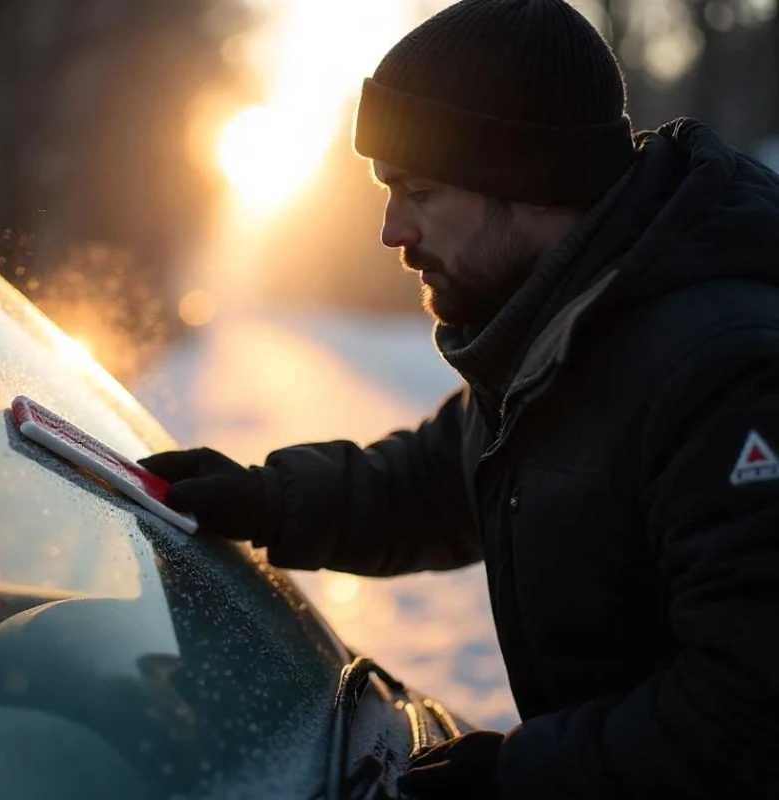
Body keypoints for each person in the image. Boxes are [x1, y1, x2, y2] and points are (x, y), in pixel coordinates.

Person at [141, 0, 779, 796]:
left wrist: (517, 777)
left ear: (532, 181)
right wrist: (265, 500)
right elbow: (434, 483)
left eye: (419, 190)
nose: (392, 230)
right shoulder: (559, 330)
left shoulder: (723, 370)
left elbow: (752, 708)